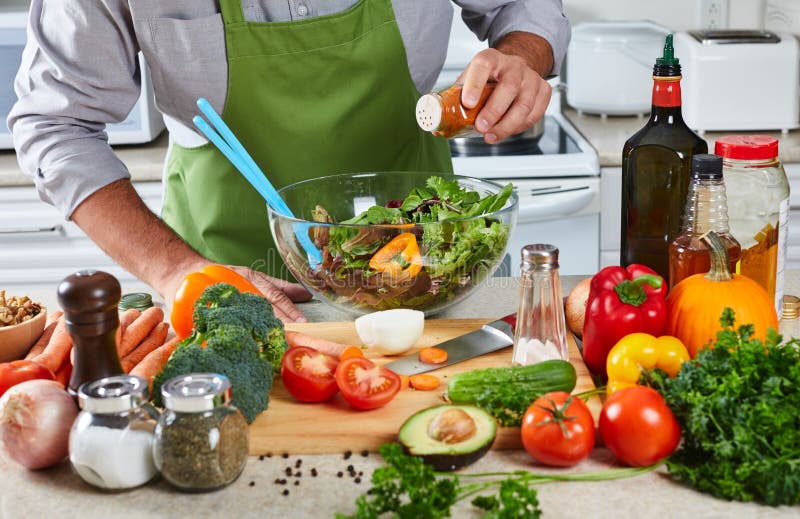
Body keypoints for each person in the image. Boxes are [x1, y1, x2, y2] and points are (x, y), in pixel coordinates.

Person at [9, 0, 570, 322]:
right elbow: (55, 122)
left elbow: (526, 8)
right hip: (223, 275)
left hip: (424, 270)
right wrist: (176, 271)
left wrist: (521, 58)